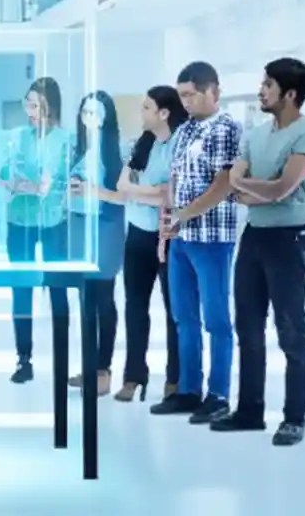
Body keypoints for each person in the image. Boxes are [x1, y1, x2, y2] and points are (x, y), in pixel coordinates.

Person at [213, 58, 305, 446]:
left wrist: (253, 189)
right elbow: (234, 180)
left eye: (268, 84)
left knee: (290, 331)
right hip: (255, 238)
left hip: (290, 241)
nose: (261, 89)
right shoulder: (256, 134)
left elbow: (283, 189)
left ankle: (294, 418)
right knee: (248, 326)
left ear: (289, 94)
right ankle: (249, 411)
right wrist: (260, 188)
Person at [150, 61, 242, 425]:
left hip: (212, 239)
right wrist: (168, 227)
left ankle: (218, 394)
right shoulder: (185, 130)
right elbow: (174, 178)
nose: (185, 102)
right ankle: (189, 389)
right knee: (182, 317)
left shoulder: (226, 129)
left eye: (190, 94)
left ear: (212, 92)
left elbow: (223, 185)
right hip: (182, 239)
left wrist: (185, 213)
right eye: (181, 95)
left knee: (216, 319)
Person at [115, 86, 187, 403]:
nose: (141, 112)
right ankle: (133, 376)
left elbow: (167, 193)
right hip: (138, 234)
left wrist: (140, 191)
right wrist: (148, 192)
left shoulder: (180, 144)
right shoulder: (142, 143)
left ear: (164, 112)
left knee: (175, 310)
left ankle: (175, 379)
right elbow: (121, 185)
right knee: (135, 308)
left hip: (168, 237)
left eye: (146, 107)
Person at [3, 78, 72, 384]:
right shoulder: (18, 137)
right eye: (27, 104)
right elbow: (6, 172)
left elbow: (61, 183)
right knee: (21, 290)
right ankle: (24, 358)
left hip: (54, 221)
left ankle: (62, 359)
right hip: (19, 221)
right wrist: (13, 181)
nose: (30, 111)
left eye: (37, 105)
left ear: (51, 107)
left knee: (57, 289)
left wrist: (41, 187)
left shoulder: (65, 140)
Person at [64, 91, 126, 397]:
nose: (90, 118)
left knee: (104, 300)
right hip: (78, 227)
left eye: (97, 113)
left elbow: (123, 195)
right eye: (86, 112)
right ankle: (89, 367)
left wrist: (93, 191)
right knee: (85, 302)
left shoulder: (116, 151)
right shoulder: (76, 149)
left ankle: (103, 369)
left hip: (106, 228)